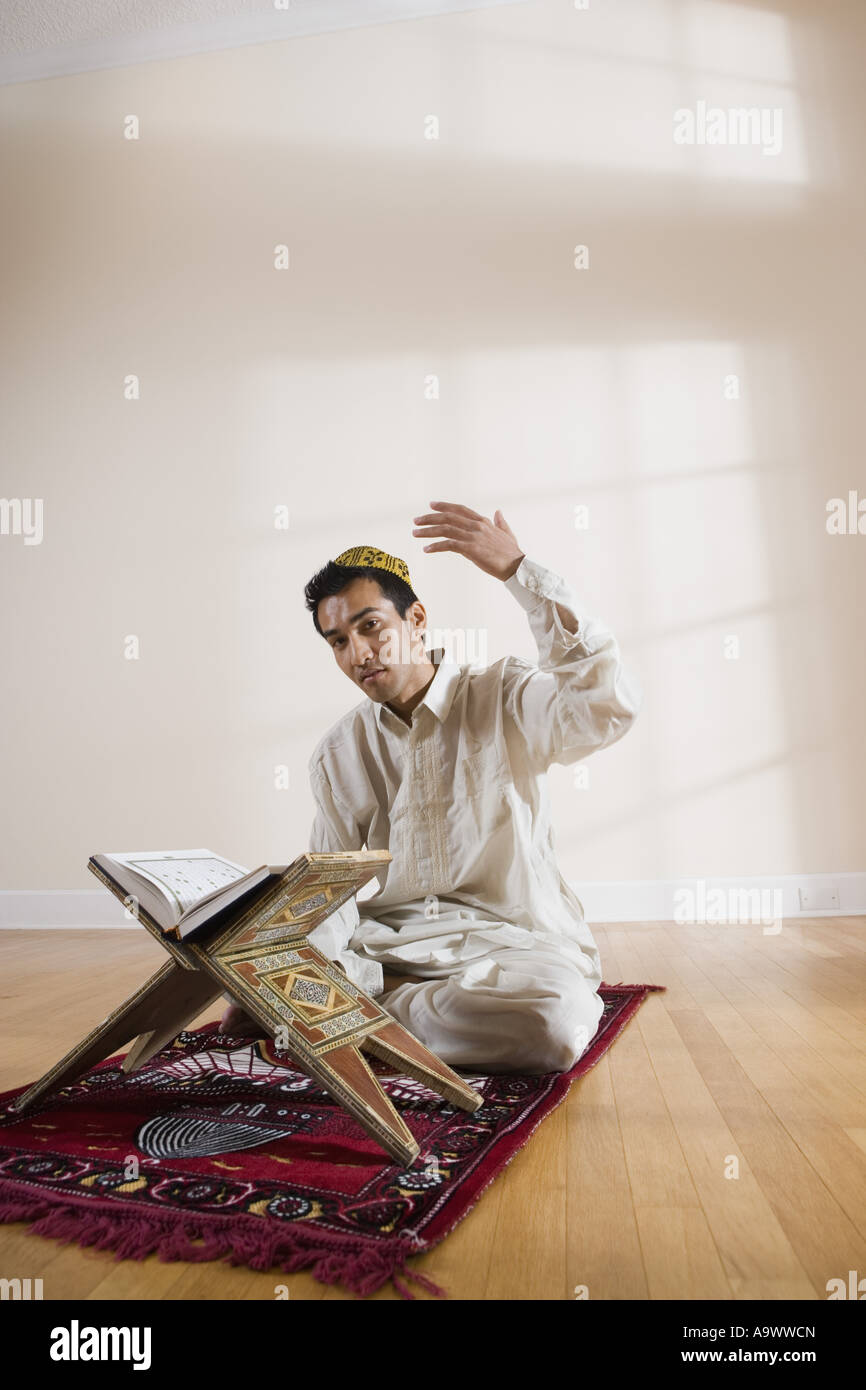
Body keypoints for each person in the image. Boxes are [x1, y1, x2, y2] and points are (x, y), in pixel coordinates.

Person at [221, 501, 641, 1074]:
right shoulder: (339, 752)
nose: (358, 654)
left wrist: (521, 572)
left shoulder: (504, 695)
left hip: (513, 944)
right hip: (387, 950)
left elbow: (604, 708)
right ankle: (355, 1008)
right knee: (309, 956)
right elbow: (332, 886)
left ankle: (358, 1023)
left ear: (416, 620)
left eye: (371, 626)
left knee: (553, 1026)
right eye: (338, 641)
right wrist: (301, 963)